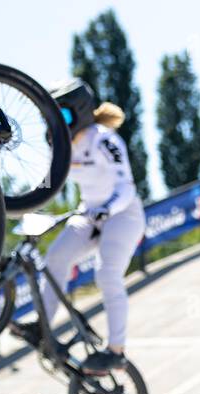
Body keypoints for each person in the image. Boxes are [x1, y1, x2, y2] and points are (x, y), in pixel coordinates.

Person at [11, 80, 145, 375]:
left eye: (65, 117)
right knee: (55, 259)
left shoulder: (103, 138)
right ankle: (43, 326)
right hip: (89, 212)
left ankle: (116, 351)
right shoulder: (60, 147)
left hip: (122, 214)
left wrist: (106, 209)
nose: (59, 124)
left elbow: (126, 187)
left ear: (81, 113)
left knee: (107, 273)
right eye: (52, 118)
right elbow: (47, 187)